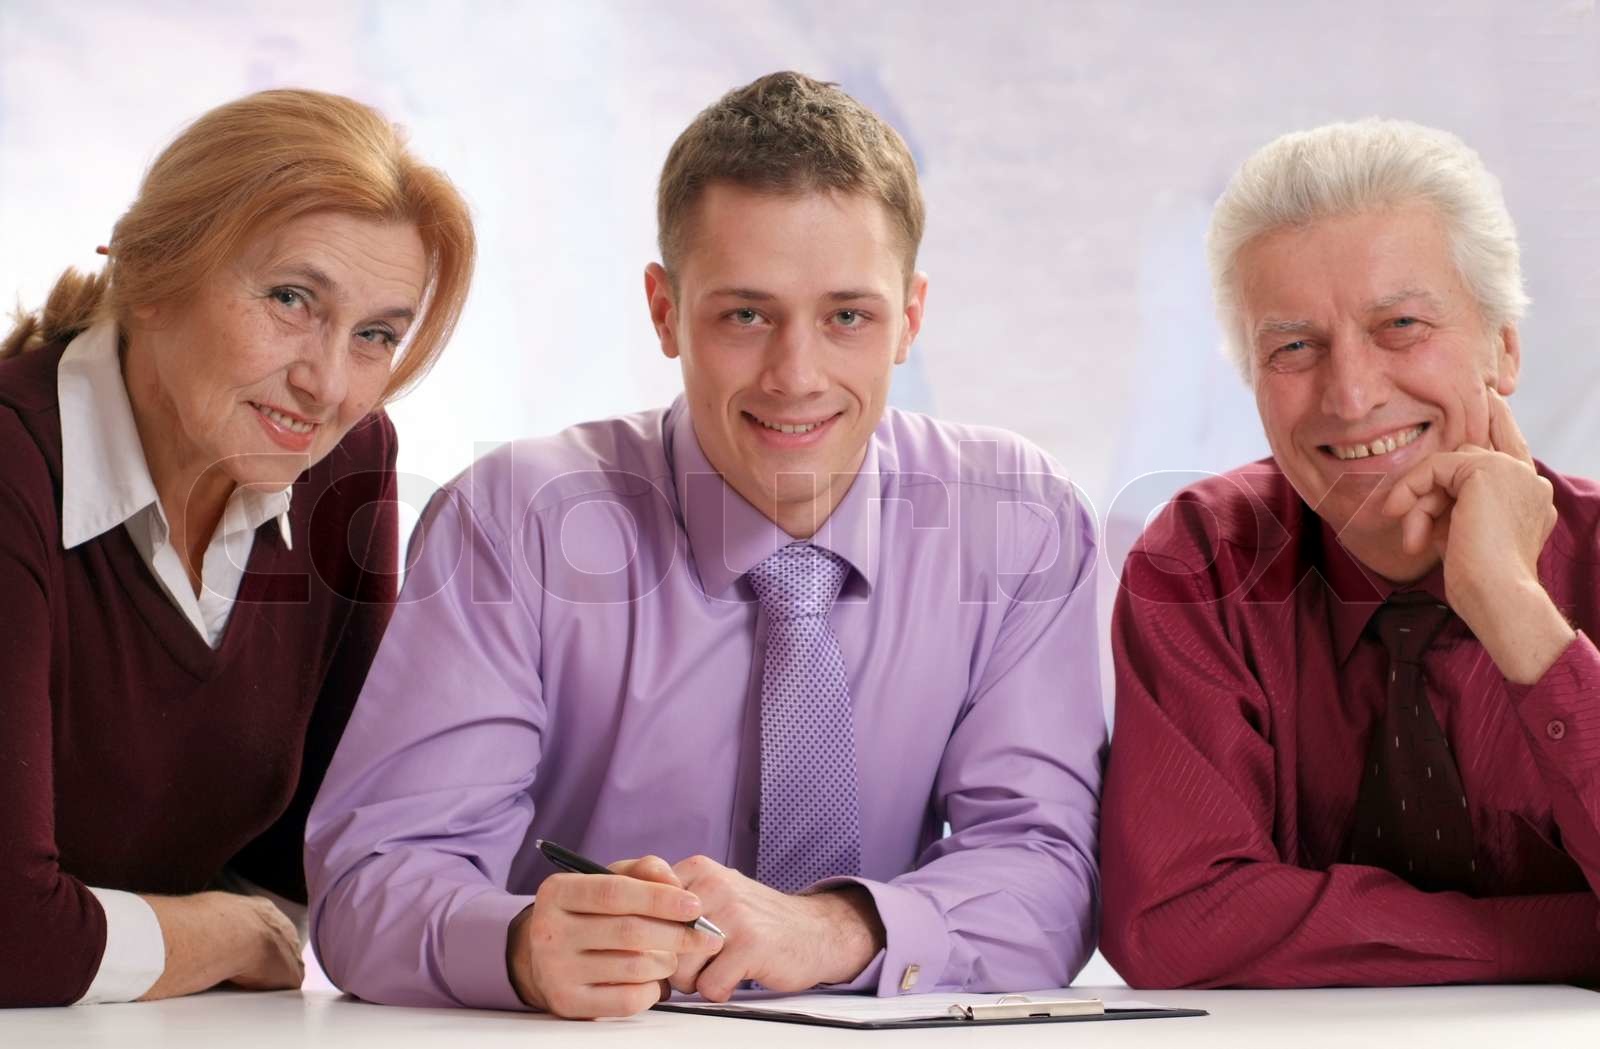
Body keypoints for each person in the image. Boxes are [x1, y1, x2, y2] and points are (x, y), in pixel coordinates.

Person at [306, 71, 1105, 1019]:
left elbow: (1049, 874)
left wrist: (842, 929)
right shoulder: (513, 519)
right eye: (746, 315)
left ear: (912, 318)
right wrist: (521, 947)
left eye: (848, 315)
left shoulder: (1020, 519)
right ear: (663, 310)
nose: (796, 375)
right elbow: (374, 878)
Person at [0, 88, 475, 1007]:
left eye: (376, 333)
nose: (327, 382)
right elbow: (10, 934)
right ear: (148, 266)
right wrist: (214, 930)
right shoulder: (13, 466)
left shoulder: (346, 460)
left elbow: (333, 839)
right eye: (291, 298)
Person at [1101, 118, 1600, 987]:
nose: (1352, 393)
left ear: (1503, 347)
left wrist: (1515, 609)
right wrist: (1572, 937)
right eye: (1293, 347)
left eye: (1401, 324)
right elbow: (1172, 923)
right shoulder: (1204, 563)